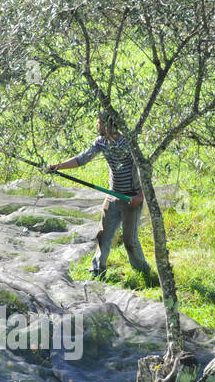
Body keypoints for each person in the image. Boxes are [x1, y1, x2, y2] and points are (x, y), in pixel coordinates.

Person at [46, 109, 153, 279]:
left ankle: (144, 272)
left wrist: (140, 195)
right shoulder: (101, 142)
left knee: (129, 241)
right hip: (113, 194)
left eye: (100, 122)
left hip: (131, 197)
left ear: (109, 124)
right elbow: (82, 159)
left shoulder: (127, 143)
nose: (97, 125)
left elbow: (144, 168)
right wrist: (56, 167)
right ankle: (97, 271)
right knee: (103, 235)